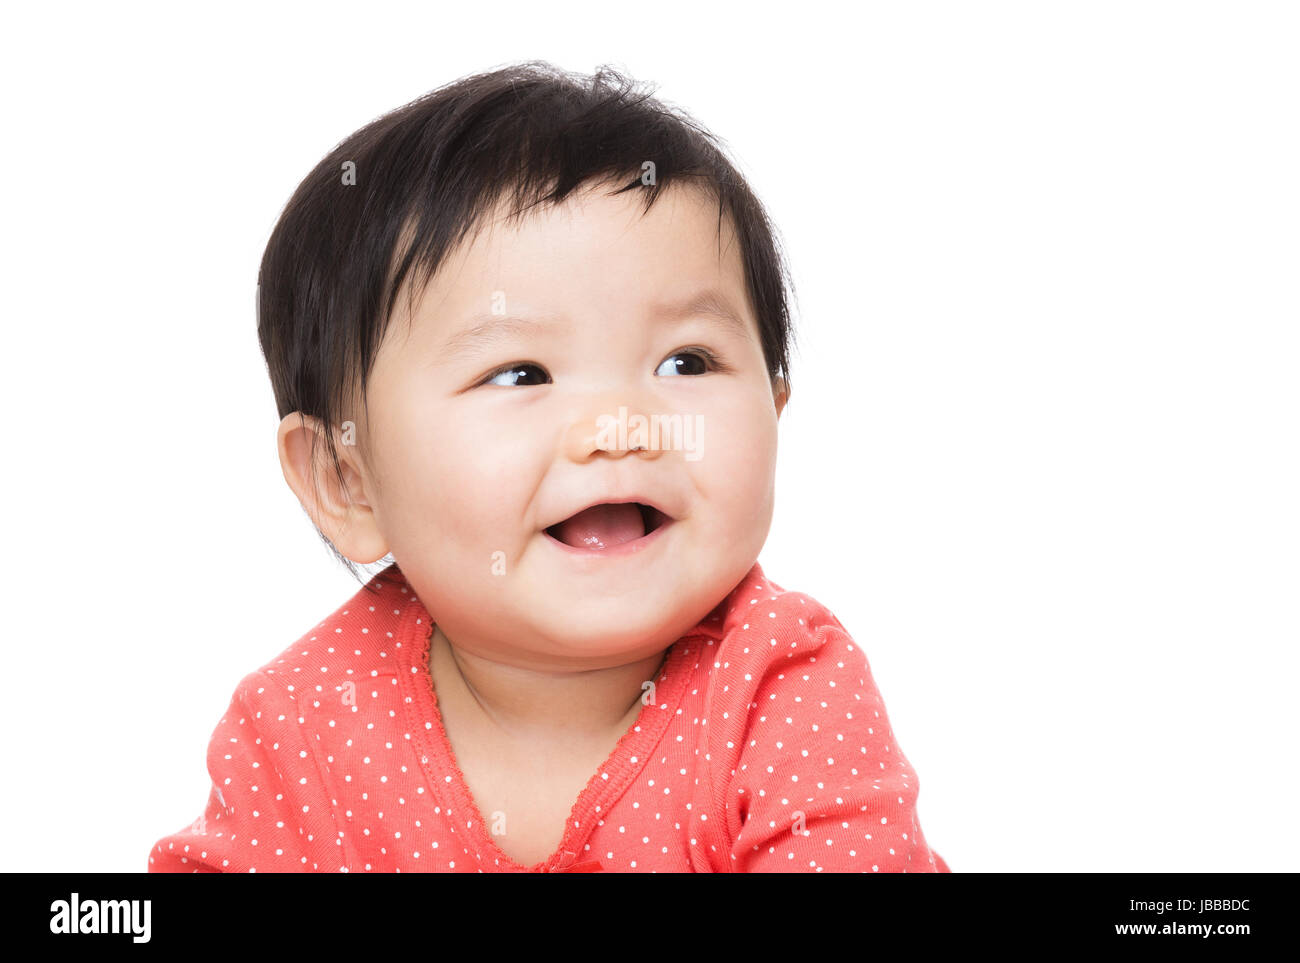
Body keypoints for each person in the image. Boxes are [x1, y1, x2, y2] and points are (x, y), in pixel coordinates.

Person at [148, 61, 949, 873]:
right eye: (520, 374)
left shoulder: (780, 689)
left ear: (776, 408)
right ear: (346, 479)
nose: (616, 426)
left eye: (686, 361)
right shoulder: (304, 725)